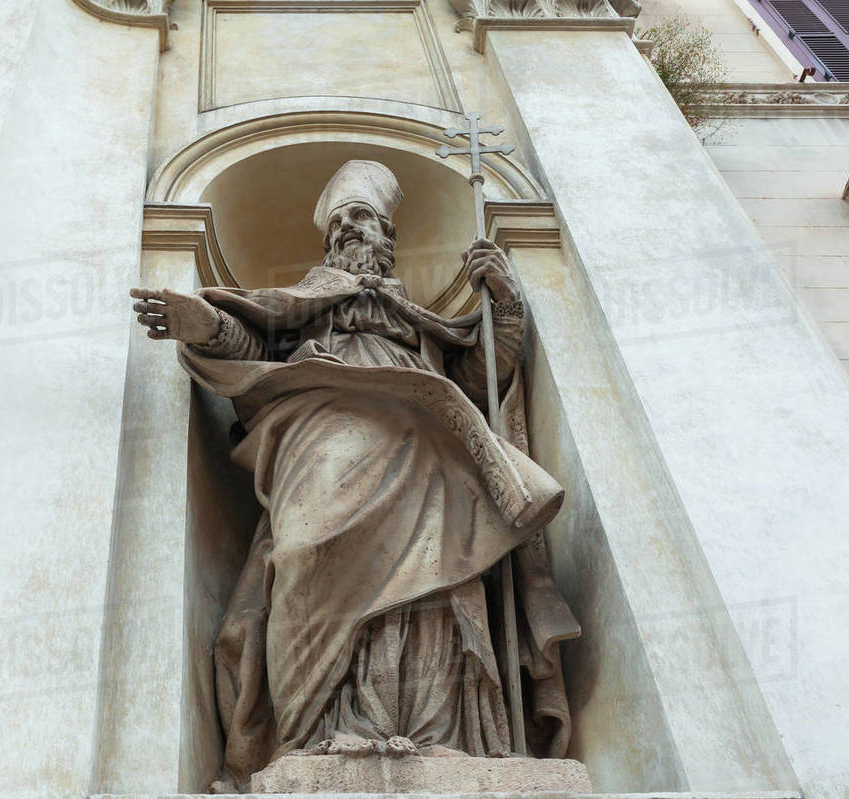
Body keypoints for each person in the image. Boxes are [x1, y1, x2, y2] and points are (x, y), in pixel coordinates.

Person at [131, 160, 578, 790]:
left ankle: (433, 732)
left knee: (434, 581)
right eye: (338, 223)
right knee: (304, 558)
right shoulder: (304, 304)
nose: (347, 230)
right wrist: (202, 322)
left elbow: (479, 387)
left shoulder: (418, 321)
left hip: (424, 456)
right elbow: (249, 344)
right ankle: (314, 736)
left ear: (387, 238)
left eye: (360, 218)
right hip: (321, 444)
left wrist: (502, 311)